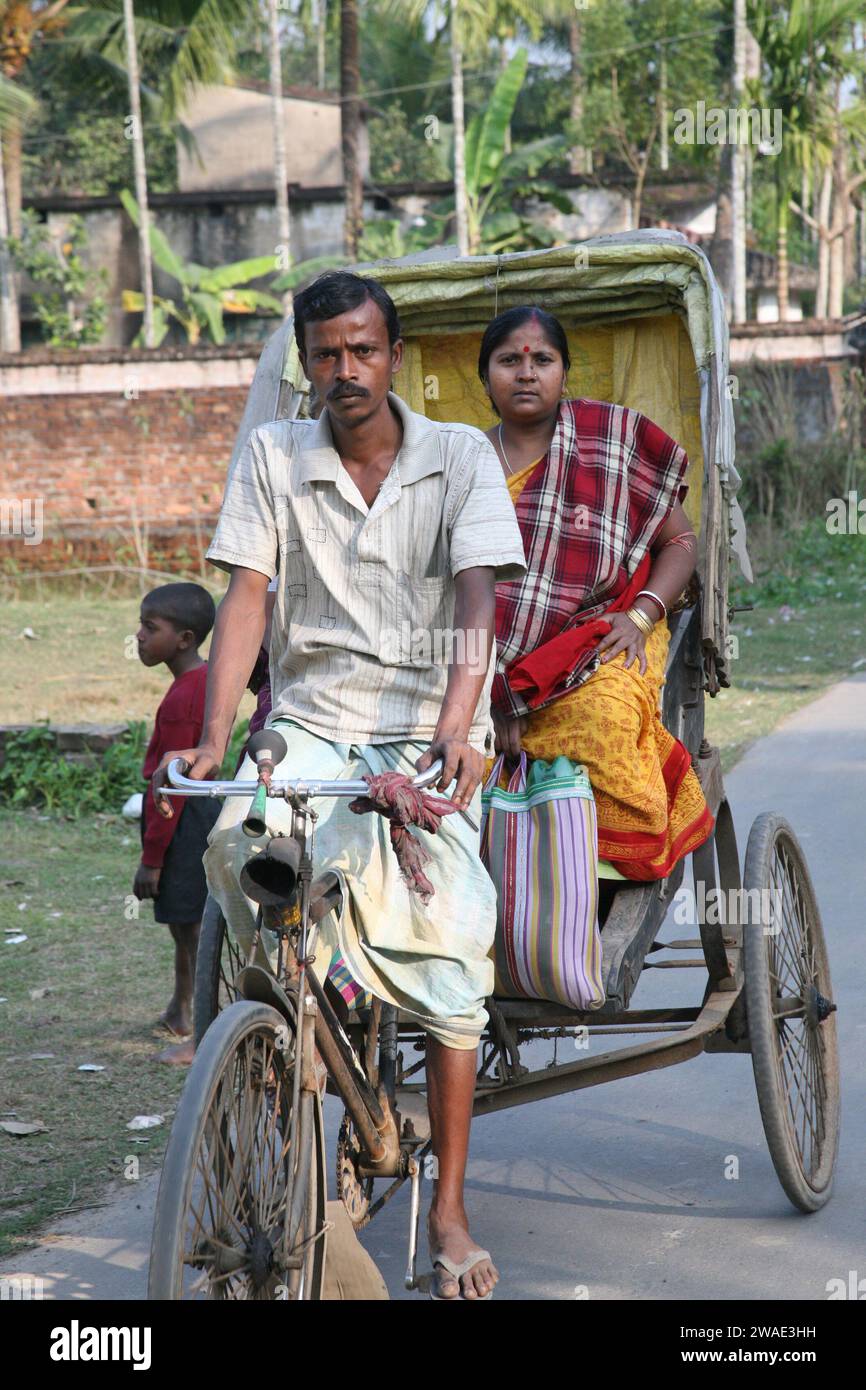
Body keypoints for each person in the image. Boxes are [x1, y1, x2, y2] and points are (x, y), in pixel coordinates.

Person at [151, 271, 527, 1301]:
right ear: (304, 362)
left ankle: (447, 1211)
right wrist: (218, 734)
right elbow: (245, 597)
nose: (345, 370)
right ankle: (285, 1036)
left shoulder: (456, 458)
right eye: (325, 353)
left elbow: (474, 601)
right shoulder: (274, 453)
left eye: (362, 350)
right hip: (310, 724)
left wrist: (457, 725)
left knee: (452, 939)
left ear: (393, 355)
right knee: (239, 839)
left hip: (423, 730)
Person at [479, 305, 714, 880]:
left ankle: (596, 872)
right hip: (482, 658)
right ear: (485, 377)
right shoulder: (459, 462)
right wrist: (491, 693)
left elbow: (681, 540)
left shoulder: (610, 439)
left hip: (607, 630)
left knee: (602, 723)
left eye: (543, 360)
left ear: (564, 373)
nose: (526, 373)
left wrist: (642, 614)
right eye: (509, 360)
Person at [135, 582, 220, 1066]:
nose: (140, 637)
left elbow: (173, 785)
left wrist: (151, 861)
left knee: (190, 926)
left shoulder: (186, 696)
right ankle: (180, 1007)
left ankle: (198, 1024)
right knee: (185, 923)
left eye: (151, 628)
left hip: (182, 816)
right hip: (189, 811)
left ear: (185, 638)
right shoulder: (198, 680)